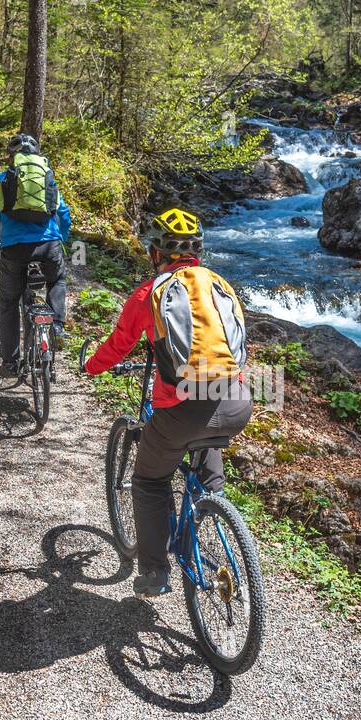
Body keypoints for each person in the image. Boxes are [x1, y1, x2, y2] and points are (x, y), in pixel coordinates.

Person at [83, 208, 253, 599]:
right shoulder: (219, 286)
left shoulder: (149, 293)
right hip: (235, 402)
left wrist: (91, 367)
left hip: (182, 410)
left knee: (148, 481)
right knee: (206, 463)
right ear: (198, 253)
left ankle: (155, 573)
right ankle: (207, 517)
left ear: (155, 253)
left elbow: (119, 345)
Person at [0, 133, 72, 378]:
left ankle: (10, 362)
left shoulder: (3, 179)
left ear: (11, 157)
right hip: (48, 246)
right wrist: (61, 237)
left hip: (15, 249)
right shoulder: (48, 176)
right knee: (57, 281)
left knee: (8, 302)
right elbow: (63, 212)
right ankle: (57, 325)